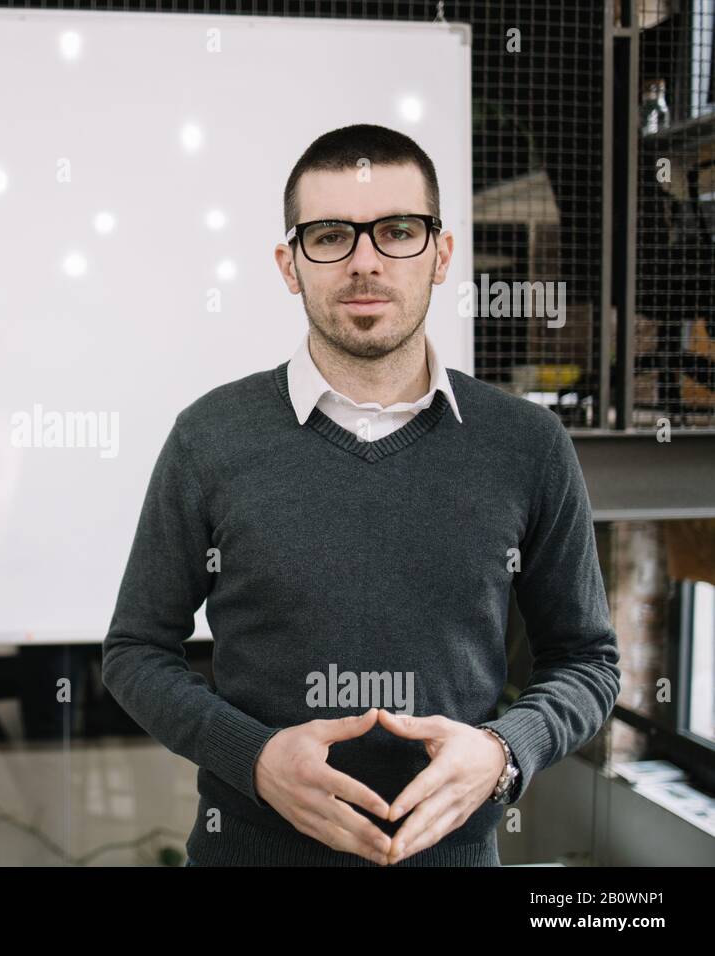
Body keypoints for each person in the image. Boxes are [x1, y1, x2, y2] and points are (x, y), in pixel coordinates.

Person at [101, 124, 620, 867]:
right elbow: (135, 651)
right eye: (331, 236)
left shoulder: (527, 445)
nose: (365, 262)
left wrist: (505, 751)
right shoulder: (209, 438)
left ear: (441, 254)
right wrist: (252, 758)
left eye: (398, 231)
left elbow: (588, 660)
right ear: (290, 265)